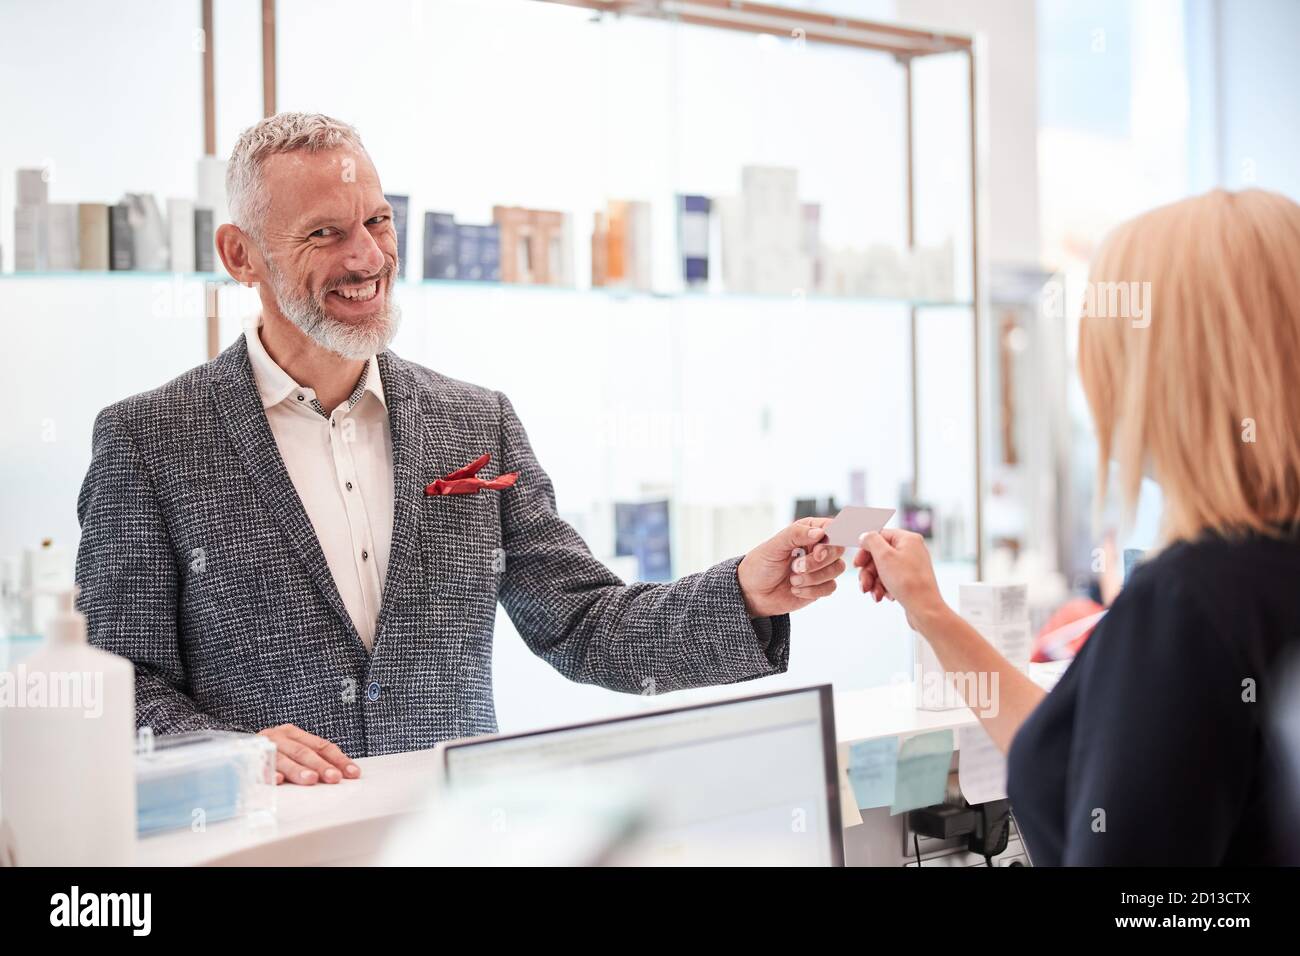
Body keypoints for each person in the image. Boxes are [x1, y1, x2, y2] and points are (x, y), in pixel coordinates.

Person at [76, 112, 847, 785]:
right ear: (241, 256)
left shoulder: (476, 421)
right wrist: (231, 755)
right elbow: (116, 686)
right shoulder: (149, 441)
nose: (368, 258)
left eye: (377, 222)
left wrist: (745, 589)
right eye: (325, 233)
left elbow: (586, 624)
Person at [856, 188, 1300, 865]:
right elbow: (1094, 769)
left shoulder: (1188, 604)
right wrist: (931, 613)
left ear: (1169, 376)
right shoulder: (1257, 577)